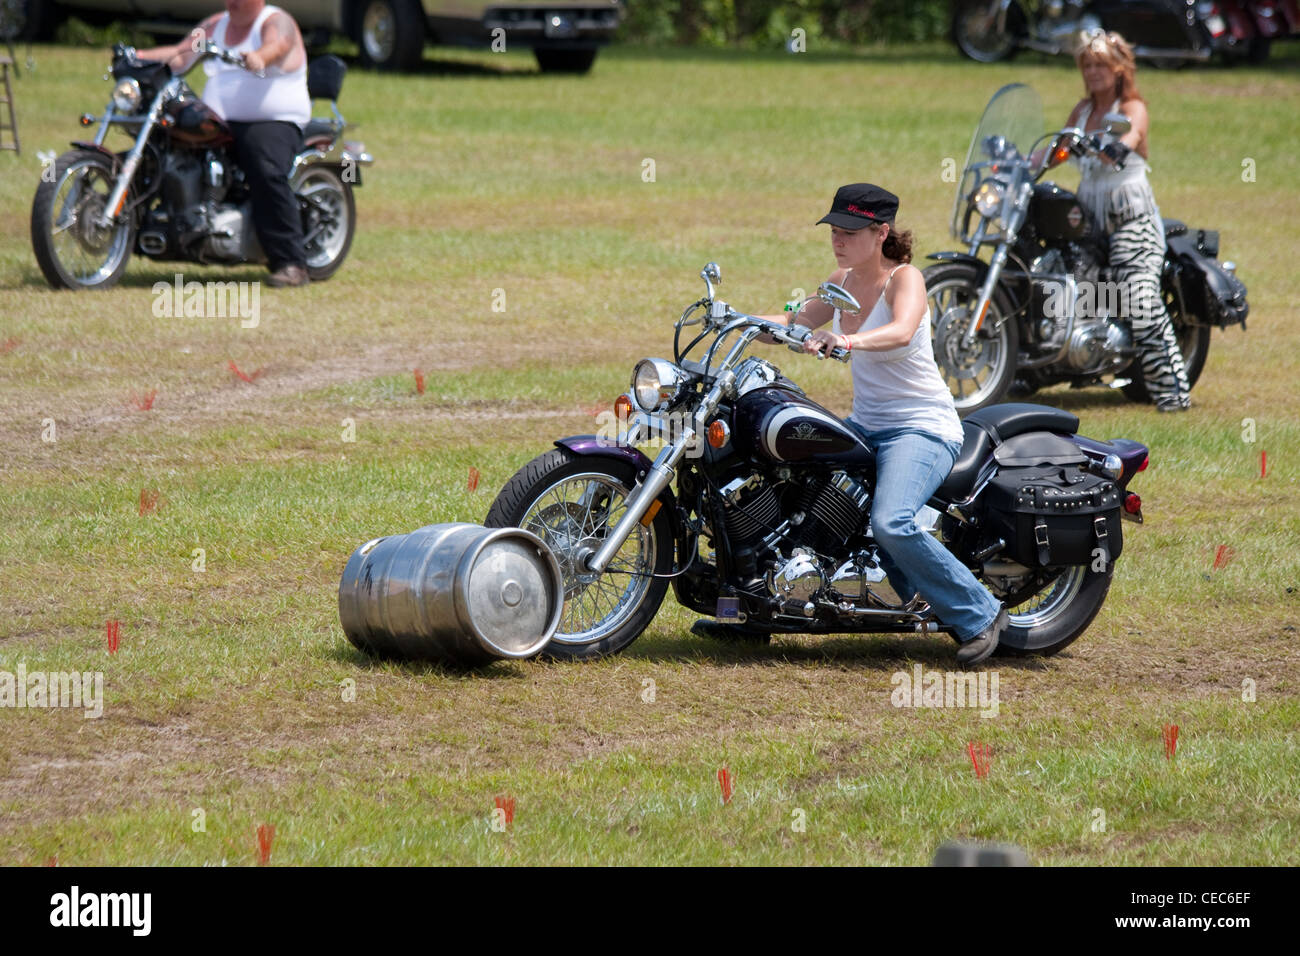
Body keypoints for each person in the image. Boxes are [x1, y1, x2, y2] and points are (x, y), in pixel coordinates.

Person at [693, 184, 1008, 666]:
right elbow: (793, 320)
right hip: (866, 424)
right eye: (835, 229)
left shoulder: (905, 279)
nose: (839, 239)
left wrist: (847, 341)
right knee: (781, 476)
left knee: (891, 522)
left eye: (851, 231)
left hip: (920, 427)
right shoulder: (841, 279)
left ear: (881, 232)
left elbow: (902, 329)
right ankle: (755, 609)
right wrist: (735, 320)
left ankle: (980, 613)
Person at [1055, 29, 1191, 411]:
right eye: (1088, 64)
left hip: (1133, 223)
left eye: (1101, 64)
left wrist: (1109, 145)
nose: (1094, 71)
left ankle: (1173, 392)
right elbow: (1055, 150)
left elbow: (1131, 137)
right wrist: (1017, 163)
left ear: (1119, 69)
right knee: (1059, 285)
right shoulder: (1082, 112)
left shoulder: (1132, 107)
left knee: (1140, 299)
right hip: (1090, 225)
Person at [137, 0, 312, 288]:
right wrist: (139, 55)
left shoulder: (276, 21)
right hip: (220, 122)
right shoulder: (215, 25)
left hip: (274, 121)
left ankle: (291, 262)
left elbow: (278, 45)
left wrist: (258, 57)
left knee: (264, 167)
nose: (233, 1)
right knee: (164, 144)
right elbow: (179, 57)